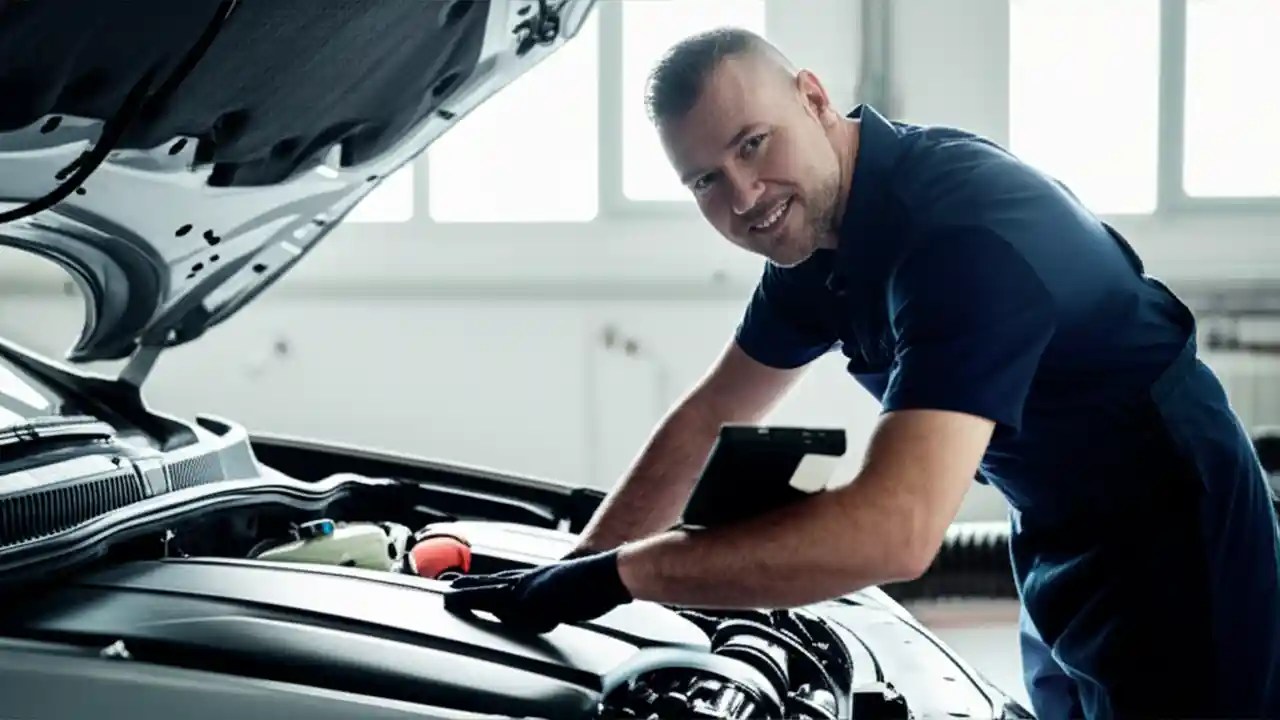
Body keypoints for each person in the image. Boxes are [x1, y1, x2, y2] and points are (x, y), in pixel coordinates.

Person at [445, 27, 1280, 719]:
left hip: (1177, 539)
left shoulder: (959, 239)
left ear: (812, 98)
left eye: (752, 144)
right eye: (706, 180)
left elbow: (897, 531)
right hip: (1056, 535)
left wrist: (628, 575)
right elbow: (708, 417)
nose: (742, 198)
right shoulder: (818, 241)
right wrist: (571, 572)